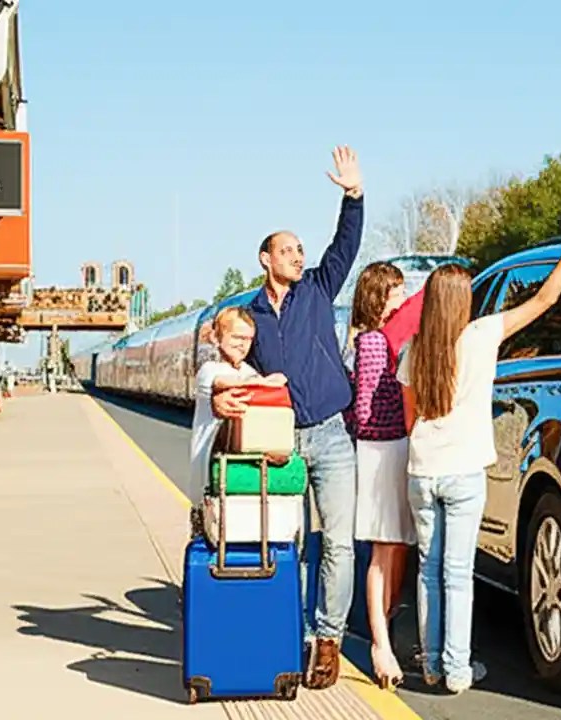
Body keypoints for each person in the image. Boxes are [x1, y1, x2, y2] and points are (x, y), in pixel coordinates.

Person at [397, 203, 561, 695]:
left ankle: (433, 664)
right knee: (458, 575)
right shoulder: (481, 336)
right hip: (462, 473)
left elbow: (409, 417)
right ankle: (457, 672)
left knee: (429, 571)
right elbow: (544, 301)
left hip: (423, 471)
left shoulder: (413, 350)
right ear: (463, 303)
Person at [212, 145, 364, 690]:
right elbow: (227, 375)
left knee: (339, 543)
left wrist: (352, 196)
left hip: (331, 435)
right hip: (279, 443)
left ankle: (329, 640)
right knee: (288, 543)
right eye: (289, 250)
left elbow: (346, 245)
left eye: (302, 249)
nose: (299, 256)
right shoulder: (247, 316)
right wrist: (219, 401)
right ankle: (291, 634)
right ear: (265, 258)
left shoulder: (319, 290)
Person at [342, 261, 426, 690]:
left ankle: (385, 629)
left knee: (394, 548)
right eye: (396, 291)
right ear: (379, 297)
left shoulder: (378, 341)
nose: (402, 297)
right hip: (382, 448)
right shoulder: (375, 343)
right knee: (384, 549)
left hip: (388, 447)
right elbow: (367, 409)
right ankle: (380, 641)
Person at [189, 306, 287, 499]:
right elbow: (222, 382)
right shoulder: (209, 369)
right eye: (237, 337)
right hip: (206, 480)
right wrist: (264, 383)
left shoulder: (249, 371)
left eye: (249, 339)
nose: (243, 345)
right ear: (217, 338)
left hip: (235, 476)